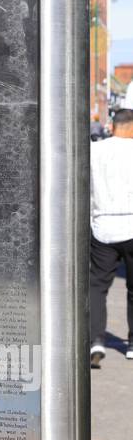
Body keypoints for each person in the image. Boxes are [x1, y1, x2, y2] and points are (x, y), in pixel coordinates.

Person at [90, 107, 133, 366]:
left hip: (103, 225)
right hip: (132, 223)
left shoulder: (95, 151)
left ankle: (96, 341)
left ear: (113, 125)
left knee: (97, 286)